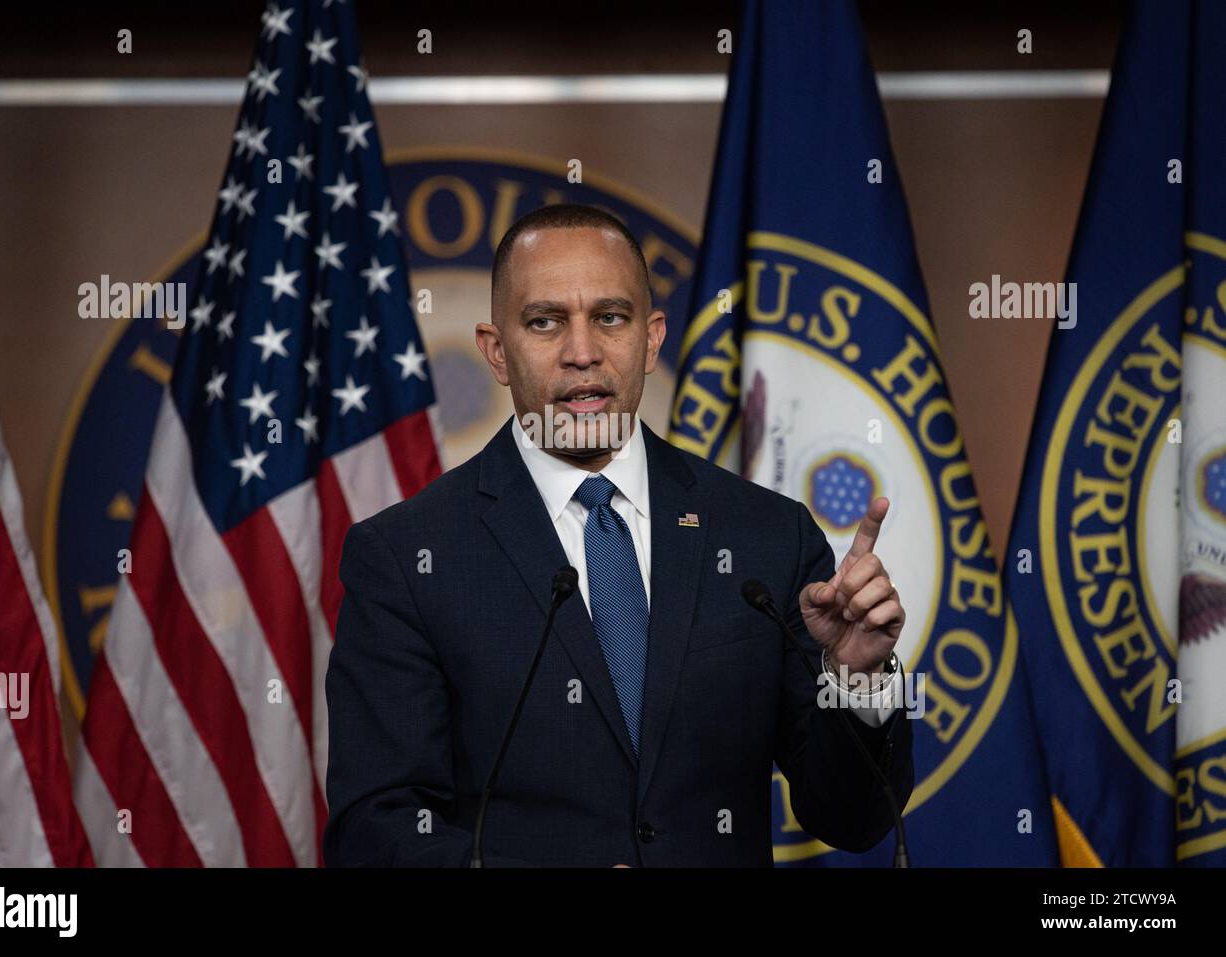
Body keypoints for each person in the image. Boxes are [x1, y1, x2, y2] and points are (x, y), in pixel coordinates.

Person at [323, 203, 914, 867]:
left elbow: (851, 817)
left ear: (652, 337)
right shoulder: (407, 557)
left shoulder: (767, 536)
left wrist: (857, 679)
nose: (583, 352)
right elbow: (378, 829)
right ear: (496, 350)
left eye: (610, 317)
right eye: (545, 321)